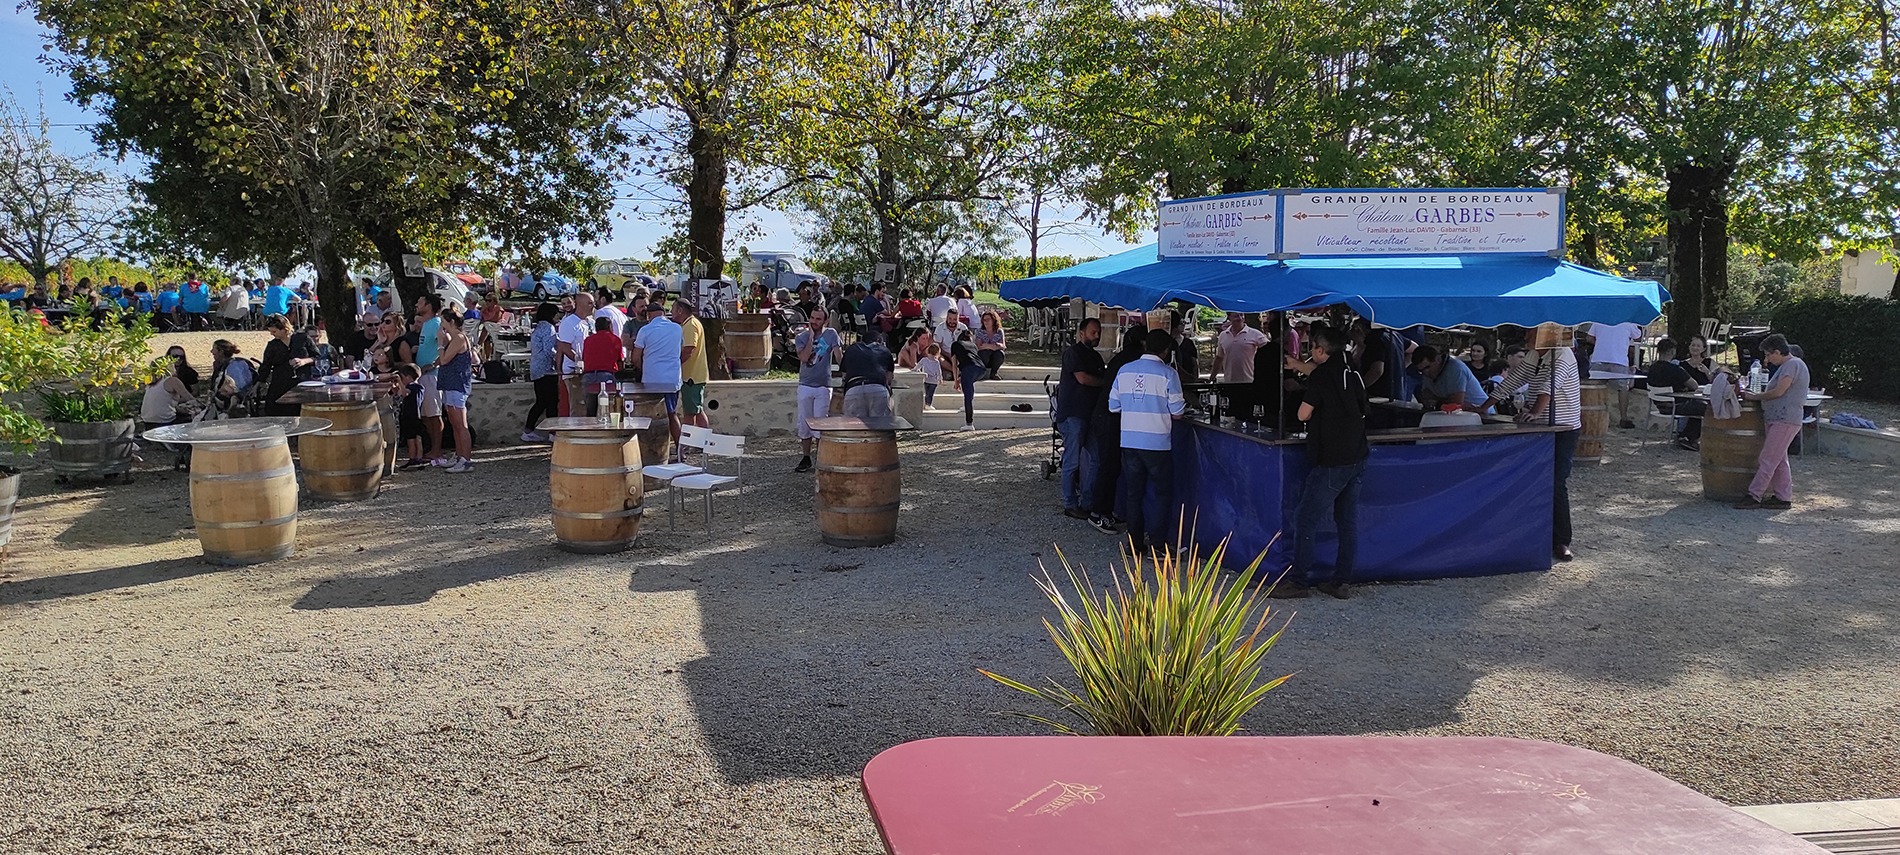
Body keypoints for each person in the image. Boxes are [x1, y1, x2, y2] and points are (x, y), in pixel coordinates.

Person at [1273, 326, 1368, 600]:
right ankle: (1341, 581)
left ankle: (1299, 581)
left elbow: (1303, 414)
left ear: (1319, 350)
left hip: (1332, 458)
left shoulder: (1322, 377)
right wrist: (1297, 365)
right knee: (1347, 522)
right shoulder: (1351, 371)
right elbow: (1323, 374)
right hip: (1357, 454)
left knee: (1305, 518)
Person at [1479, 337, 1582, 562]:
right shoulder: (1535, 355)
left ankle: (1562, 540)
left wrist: (1534, 412)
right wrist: (1484, 407)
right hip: (1540, 426)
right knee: (1533, 477)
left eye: (1533, 331)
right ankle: (1533, 532)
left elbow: (1549, 387)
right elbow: (1514, 379)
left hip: (1563, 427)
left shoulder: (1563, 354)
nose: (1527, 336)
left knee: (1556, 481)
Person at [1108, 329, 1187, 553]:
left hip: (1129, 441)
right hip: (1157, 443)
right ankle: (1158, 546)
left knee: (1134, 494)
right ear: (1166, 350)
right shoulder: (1168, 374)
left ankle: (1134, 545)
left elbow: (1113, 406)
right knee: (1162, 493)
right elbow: (1178, 412)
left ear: (1145, 346)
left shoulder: (1124, 370)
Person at [1735, 334, 1809, 510]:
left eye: (1768, 355)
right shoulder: (1788, 365)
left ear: (1777, 352)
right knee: (1779, 459)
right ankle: (1783, 497)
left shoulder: (1793, 365)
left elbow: (1778, 392)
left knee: (1767, 458)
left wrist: (1755, 397)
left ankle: (1754, 495)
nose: (1767, 359)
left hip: (1785, 419)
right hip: (1779, 418)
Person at [1055, 317, 1111, 528]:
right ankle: (1070, 504)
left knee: (1096, 459)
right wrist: (1106, 383)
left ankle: (1087, 503)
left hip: (1089, 415)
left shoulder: (1096, 356)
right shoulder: (1073, 353)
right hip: (1073, 415)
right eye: (1093, 332)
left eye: (1099, 332)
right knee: (1072, 461)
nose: (1097, 335)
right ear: (1081, 333)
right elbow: (1083, 379)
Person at [630, 300, 685, 461]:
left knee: (650, 416)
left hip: (652, 380)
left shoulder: (645, 330)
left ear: (649, 315)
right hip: (672, 379)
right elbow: (680, 350)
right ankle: (680, 451)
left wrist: (644, 369)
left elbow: (635, 357)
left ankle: (649, 452)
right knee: (672, 414)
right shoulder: (677, 329)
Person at [792, 306, 842, 471]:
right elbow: (804, 358)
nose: (814, 321)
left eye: (818, 319)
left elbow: (839, 356)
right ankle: (806, 457)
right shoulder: (801, 337)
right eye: (812, 318)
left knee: (821, 423)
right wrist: (811, 337)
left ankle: (821, 457)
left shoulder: (831, 334)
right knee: (804, 422)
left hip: (823, 385)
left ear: (825, 321)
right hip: (805, 384)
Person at [435, 306, 476, 473]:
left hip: (457, 385)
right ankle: (459, 456)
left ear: (451, 322)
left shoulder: (459, 338)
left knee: (461, 424)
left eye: (443, 322)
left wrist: (440, 344)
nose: (441, 325)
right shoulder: (454, 338)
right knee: (454, 423)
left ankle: (466, 460)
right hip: (450, 384)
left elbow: (445, 360)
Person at [1643, 338, 1704, 451]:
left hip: (1659, 405)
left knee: (1695, 405)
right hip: (1674, 406)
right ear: (1672, 351)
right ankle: (1688, 438)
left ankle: (1684, 435)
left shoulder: (1652, 368)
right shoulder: (1675, 369)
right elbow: (1694, 385)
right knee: (1703, 407)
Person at [1582, 320, 1643, 429]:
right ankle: (1623, 418)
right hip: (1619, 360)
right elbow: (1638, 337)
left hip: (1599, 358)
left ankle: (1593, 416)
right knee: (1623, 389)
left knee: (1595, 388)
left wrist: (1601, 342)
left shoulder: (1600, 320)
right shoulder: (1628, 322)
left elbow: (1589, 338)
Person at [255, 313, 317, 416]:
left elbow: (317, 357)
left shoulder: (303, 338)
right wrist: (259, 382)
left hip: (302, 382)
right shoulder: (272, 345)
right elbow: (266, 366)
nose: (272, 334)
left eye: (274, 331)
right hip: (280, 384)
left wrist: (304, 361)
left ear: (284, 328)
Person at [1213, 313, 1269, 422]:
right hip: (1229, 383)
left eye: (1241, 315)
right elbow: (1219, 357)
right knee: (1230, 416)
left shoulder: (1254, 333)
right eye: (1236, 316)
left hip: (1249, 382)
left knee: (1248, 416)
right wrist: (1212, 377)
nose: (1239, 318)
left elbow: (1269, 349)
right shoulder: (1223, 335)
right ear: (1229, 317)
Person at [522, 303, 562, 442]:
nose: (558, 316)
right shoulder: (548, 328)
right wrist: (560, 356)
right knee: (551, 402)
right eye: (556, 313)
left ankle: (528, 430)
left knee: (541, 402)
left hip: (536, 368)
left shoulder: (538, 327)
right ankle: (552, 433)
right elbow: (549, 350)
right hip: (546, 370)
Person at [1411, 345, 1489, 413]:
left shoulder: (1455, 368)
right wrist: (1443, 402)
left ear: (1438, 359)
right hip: (1459, 415)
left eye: (1428, 367)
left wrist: (1437, 401)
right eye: (1421, 371)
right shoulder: (1428, 372)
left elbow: (1455, 404)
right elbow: (1426, 397)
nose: (1426, 373)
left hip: (1482, 415)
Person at [555, 291, 596, 417]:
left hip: (589, 371)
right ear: (580, 304)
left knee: (589, 407)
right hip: (574, 372)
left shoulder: (590, 322)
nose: (593, 306)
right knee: (578, 406)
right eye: (590, 303)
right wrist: (580, 363)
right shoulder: (569, 323)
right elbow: (564, 347)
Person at [673, 299, 711, 431]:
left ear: (680, 310)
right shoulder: (690, 323)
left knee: (691, 413)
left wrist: (675, 365)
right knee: (696, 410)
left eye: (673, 309)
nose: (671, 312)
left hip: (692, 377)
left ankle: (687, 440)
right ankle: (703, 439)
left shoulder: (690, 325)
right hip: (693, 376)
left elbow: (689, 349)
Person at [840, 334, 895, 418]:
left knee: (853, 424)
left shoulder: (851, 349)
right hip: (878, 389)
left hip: (854, 388)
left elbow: (844, 375)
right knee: (880, 424)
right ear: (879, 341)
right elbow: (889, 378)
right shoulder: (884, 350)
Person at [581, 316, 623, 415]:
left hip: (589, 376)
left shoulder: (588, 340)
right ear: (609, 326)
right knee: (606, 409)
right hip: (606, 375)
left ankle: (590, 424)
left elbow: (584, 358)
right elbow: (619, 361)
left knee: (590, 410)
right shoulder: (615, 339)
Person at [950, 328, 984, 431]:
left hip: (968, 368)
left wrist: (956, 381)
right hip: (981, 369)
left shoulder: (955, 344)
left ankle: (969, 423)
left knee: (967, 395)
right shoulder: (973, 345)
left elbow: (954, 365)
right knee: (969, 386)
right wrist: (960, 379)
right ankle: (967, 406)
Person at [395, 363, 426, 469]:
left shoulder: (411, 387)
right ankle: (419, 458)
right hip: (418, 416)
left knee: (411, 439)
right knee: (418, 438)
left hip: (409, 416)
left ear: (408, 377)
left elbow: (404, 394)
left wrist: (399, 382)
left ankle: (412, 459)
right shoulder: (420, 387)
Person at [972, 310, 1008, 380]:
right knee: (984, 353)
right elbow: (978, 346)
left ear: (993, 320)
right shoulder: (979, 331)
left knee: (1000, 354)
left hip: (993, 357)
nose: (986, 322)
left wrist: (987, 345)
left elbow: (1003, 346)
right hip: (983, 358)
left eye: (988, 320)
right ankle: (981, 373)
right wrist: (993, 346)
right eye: (984, 320)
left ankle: (994, 373)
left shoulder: (999, 331)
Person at [919, 343, 944, 410]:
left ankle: (927, 404)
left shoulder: (924, 360)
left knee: (927, 393)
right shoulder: (936, 362)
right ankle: (928, 404)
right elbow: (939, 371)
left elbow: (918, 366)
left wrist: (915, 370)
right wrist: (940, 378)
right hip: (934, 381)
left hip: (926, 379)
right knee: (930, 393)